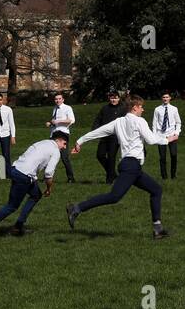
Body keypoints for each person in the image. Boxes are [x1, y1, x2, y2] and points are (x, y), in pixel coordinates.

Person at [67, 96, 175, 239]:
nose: (143, 109)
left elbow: (98, 132)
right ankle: (77, 208)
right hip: (131, 166)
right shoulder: (140, 121)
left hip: (130, 166)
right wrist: (168, 139)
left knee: (156, 190)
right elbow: (151, 139)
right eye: (141, 106)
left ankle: (158, 229)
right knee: (114, 196)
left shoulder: (118, 122)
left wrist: (80, 141)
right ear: (134, 107)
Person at [0, 131, 68, 237]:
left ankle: (18, 226)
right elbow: (49, 173)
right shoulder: (55, 151)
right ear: (57, 140)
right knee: (12, 206)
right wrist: (49, 188)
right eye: (64, 143)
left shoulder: (43, 142)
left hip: (17, 169)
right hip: (23, 176)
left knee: (36, 195)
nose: (64, 147)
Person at [91, 89, 125, 183]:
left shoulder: (123, 109)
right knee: (100, 155)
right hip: (104, 136)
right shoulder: (105, 108)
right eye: (111, 98)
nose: (113, 100)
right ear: (109, 98)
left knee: (111, 157)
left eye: (115, 98)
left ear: (119, 98)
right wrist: (94, 130)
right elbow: (98, 119)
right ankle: (112, 173)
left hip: (115, 137)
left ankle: (109, 179)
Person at [45, 93, 76, 182]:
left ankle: (71, 178)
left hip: (63, 133)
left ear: (63, 99)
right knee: (50, 156)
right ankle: (47, 177)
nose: (57, 100)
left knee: (64, 156)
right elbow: (54, 122)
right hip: (54, 133)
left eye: (59, 99)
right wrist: (50, 123)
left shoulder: (67, 108)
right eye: (56, 99)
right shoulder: (54, 108)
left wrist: (57, 121)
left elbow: (71, 120)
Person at [152, 92, 181, 180]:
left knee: (173, 155)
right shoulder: (157, 109)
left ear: (170, 98)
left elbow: (178, 122)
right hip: (161, 136)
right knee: (162, 157)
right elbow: (154, 123)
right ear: (162, 98)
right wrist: (155, 135)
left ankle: (173, 175)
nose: (165, 98)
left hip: (172, 135)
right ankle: (164, 176)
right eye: (164, 97)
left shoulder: (174, 109)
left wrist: (177, 133)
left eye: (167, 97)